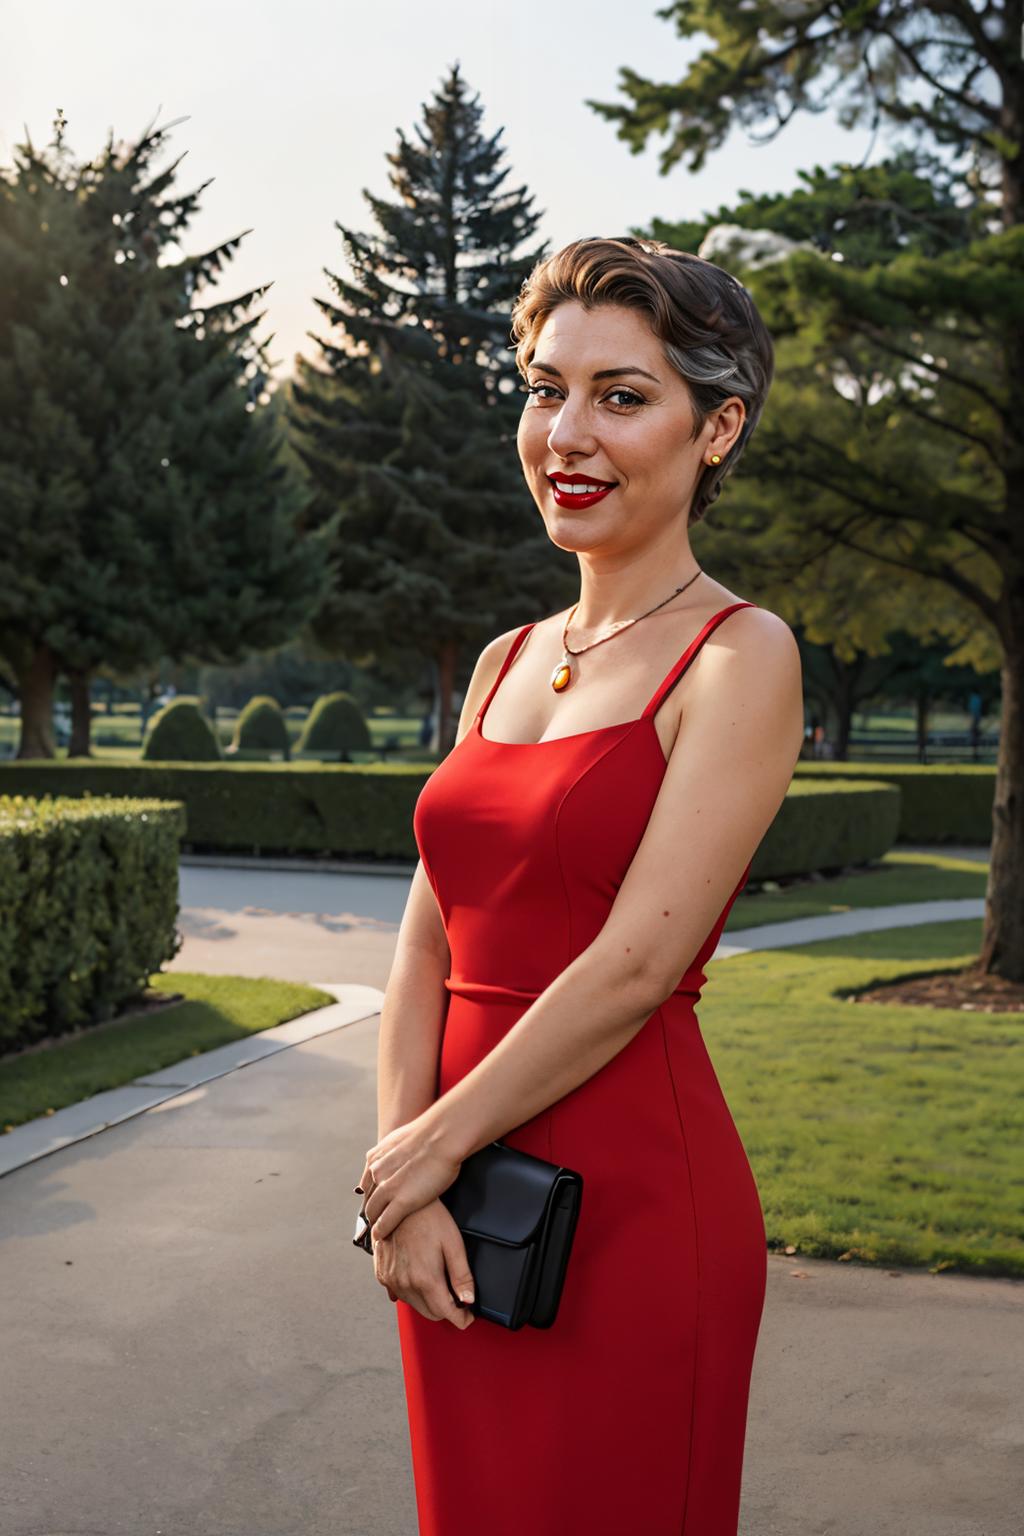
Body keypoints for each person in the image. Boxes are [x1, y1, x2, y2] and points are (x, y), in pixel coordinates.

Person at [355, 236, 804, 1535]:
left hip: (634, 1210)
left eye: (622, 396)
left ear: (717, 429)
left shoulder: (740, 655)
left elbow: (636, 965)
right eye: (547, 389)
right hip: (452, 1207)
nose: (568, 434)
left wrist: (430, 1151)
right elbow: (425, 945)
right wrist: (404, 1179)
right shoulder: (502, 660)